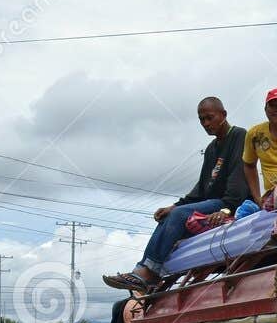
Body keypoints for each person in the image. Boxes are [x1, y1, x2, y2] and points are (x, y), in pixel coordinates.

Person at [103, 97, 250, 292]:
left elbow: (238, 179)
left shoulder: (239, 136)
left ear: (223, 115)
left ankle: (150, 272)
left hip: (228, 203)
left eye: (210, 117)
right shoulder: (211, 149)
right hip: (210, 202)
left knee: (179, 215)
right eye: (201, 119)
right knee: (169, 216)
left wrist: (226, 208)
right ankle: (142, 270)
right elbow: (202, 188)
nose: (206, 123)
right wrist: (174, 205)